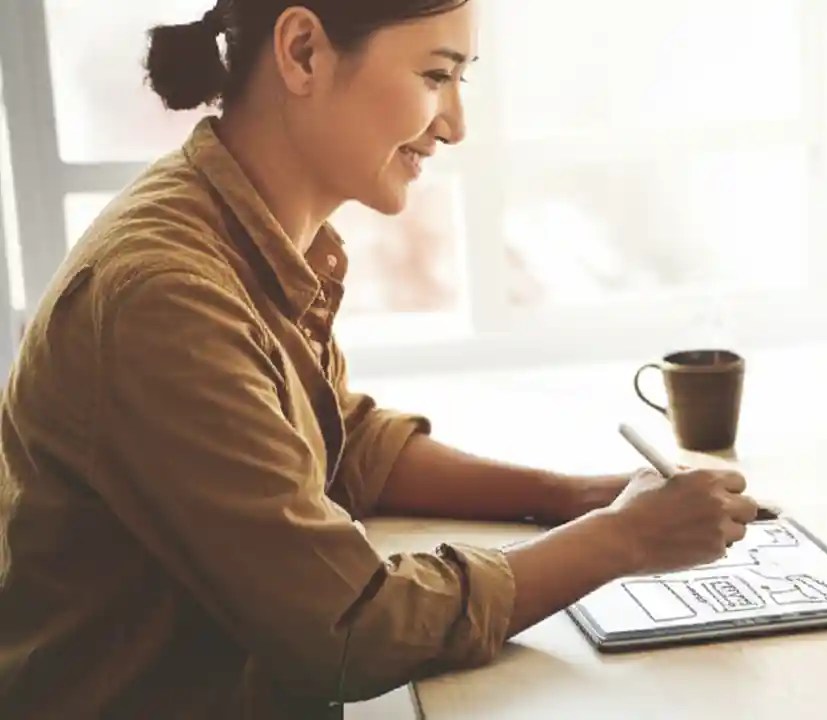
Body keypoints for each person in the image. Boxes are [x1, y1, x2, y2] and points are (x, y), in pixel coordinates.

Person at [0, 0, 758, 716]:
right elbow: (350, 627)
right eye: (435, 76)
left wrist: (570, 496)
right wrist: (623, 539)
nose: (455, 126)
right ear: (303, 53)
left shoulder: (238, 225)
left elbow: (343, 441)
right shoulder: (167, 298)